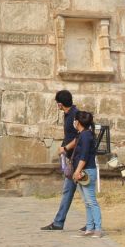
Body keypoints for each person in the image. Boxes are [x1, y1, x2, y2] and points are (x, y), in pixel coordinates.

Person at [41, 90, 80, 231]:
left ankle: (93, 223)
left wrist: (66, 147)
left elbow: (81, 136)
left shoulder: (75, 115)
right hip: (71, 158)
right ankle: (58, 222)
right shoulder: (68, 114)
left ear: (60, 104)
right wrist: (64, 147)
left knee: (87, 195)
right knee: (68, 191)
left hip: (78, 159)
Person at [71, 109, 104, 237]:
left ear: (78, 122)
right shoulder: (83, 134)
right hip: (83, 170)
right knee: (87, 202)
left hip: (87, 171)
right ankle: (90, 227)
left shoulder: (85, 136)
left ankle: (98, 228)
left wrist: (77, 171)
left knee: (91, 201)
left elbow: (84, 156)